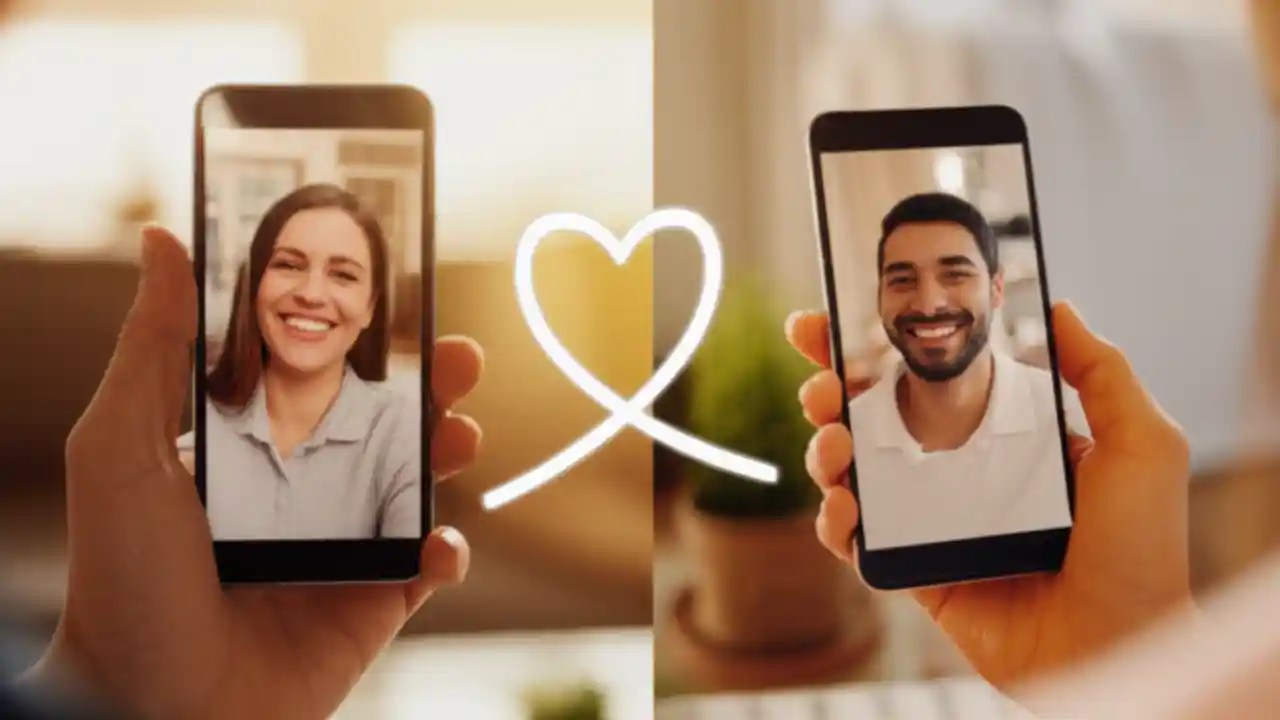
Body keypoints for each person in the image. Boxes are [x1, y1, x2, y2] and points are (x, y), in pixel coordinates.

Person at [176, 183, 421, 540]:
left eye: (343, 275)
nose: (311, 294)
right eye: (289, 265)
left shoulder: (402, 431)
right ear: (255, 286)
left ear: (371, 306)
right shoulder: (196, 432)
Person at [848, 192, 1086, 550]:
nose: (928, 304)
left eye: (955, 274)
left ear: (997, 289)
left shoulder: (1068, 418)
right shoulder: (851, 437)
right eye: (902, 280)